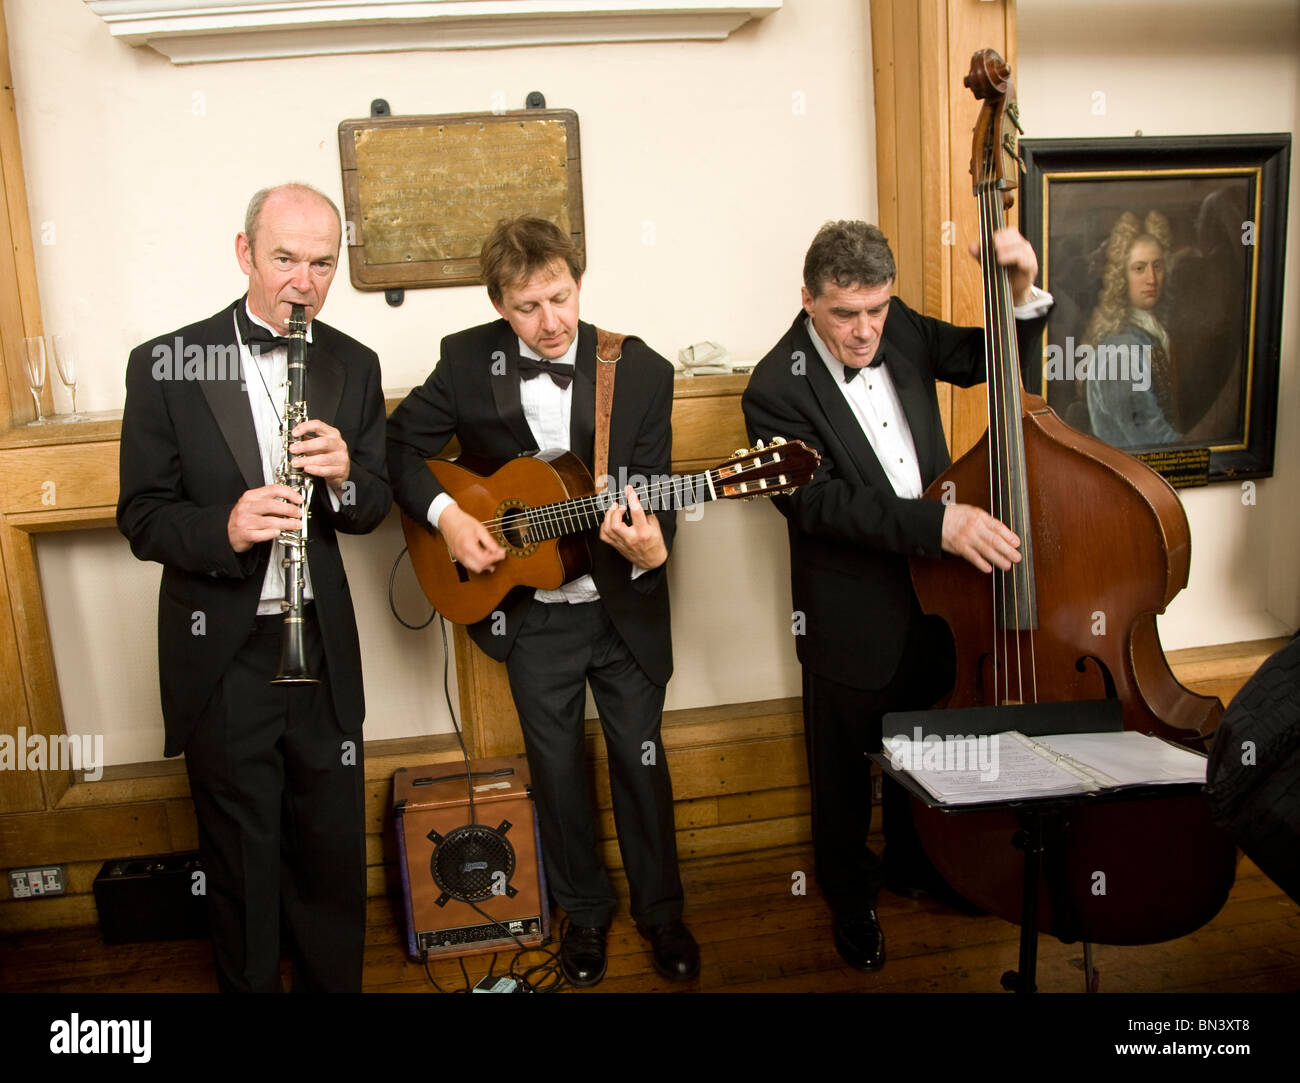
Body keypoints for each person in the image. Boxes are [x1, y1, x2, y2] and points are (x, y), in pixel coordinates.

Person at [386, 216, 698, 987]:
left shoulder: (643, 370)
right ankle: (584, 913)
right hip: (531, 616)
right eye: (528, 308)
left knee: (640, 760)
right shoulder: (464, 362)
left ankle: (663, 915)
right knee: (555, 768)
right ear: (500, 305)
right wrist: (451, 518)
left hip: (620, 607)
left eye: (561, 297)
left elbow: (651, 490)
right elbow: (396, 448)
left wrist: (656, 549)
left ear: (578, 282)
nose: (551, 322)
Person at [741, 219, 1050, 972]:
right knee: (845, 774)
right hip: (849, 611)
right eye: (846, 313)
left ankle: (923, 867)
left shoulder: (899, 325)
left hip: (941, 597)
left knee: (929, 746)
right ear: (808, 300)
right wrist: (937, 523)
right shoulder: (773, 388)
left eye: (876, 309)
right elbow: (821, 506)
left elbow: (987, 361)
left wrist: (1018, 290)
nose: (865, 329)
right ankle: (851, 899)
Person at [117, 183, 392, 992]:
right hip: (226, 653)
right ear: (245, 254)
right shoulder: (167, 361)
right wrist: (226, 526)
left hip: (320, 650)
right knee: (242, 860)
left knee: (330, 851)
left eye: (321, 263)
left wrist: (346, 480)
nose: (302, 281)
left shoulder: (355, 363)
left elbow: (373, 504)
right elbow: (141, 516)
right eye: (284, 259)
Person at [1084, 210, 1182, 447]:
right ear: (1121, 276)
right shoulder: (1118, 349)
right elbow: (1148, 435)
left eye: (1157, 266)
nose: (1152, 278)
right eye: (1139, 268)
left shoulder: (1154, 330)